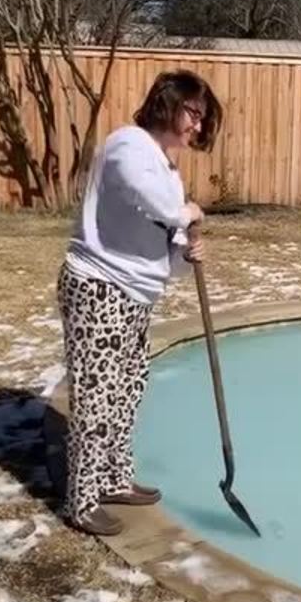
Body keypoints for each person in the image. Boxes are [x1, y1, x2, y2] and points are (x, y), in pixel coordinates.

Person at [57, 69, 223, 536]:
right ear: (167, 105)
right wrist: (186, 213)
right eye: (193, 113)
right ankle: (81, 500)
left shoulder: (168, 171)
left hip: (135, 294)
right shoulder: (128, 145)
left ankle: (113, 478)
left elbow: (166, 248)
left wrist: (187, 253)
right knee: (97, 395)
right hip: (99, 287)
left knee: (127, 389)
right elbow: (153, 202)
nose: (197, 125)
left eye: (202, 117)